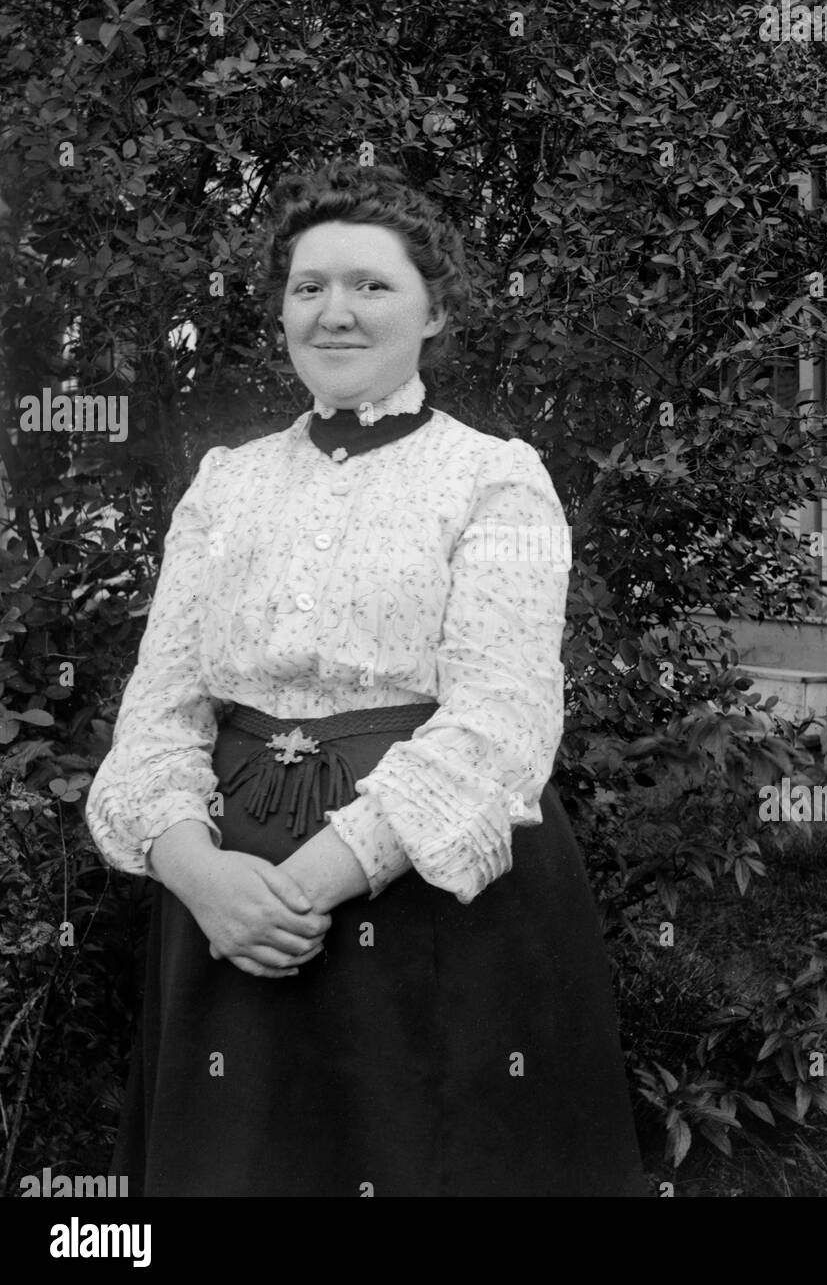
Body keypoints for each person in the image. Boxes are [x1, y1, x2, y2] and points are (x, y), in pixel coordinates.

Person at [85, 160, 647, 1197]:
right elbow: (158, 711)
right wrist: (203, 879)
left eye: (372, 286)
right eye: (309, 287)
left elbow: (500, 722)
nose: (334, 313)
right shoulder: (228, 484)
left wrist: (304, 888)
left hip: (428, 905)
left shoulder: (495, 478)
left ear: (434, 312)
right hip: (226, 912)